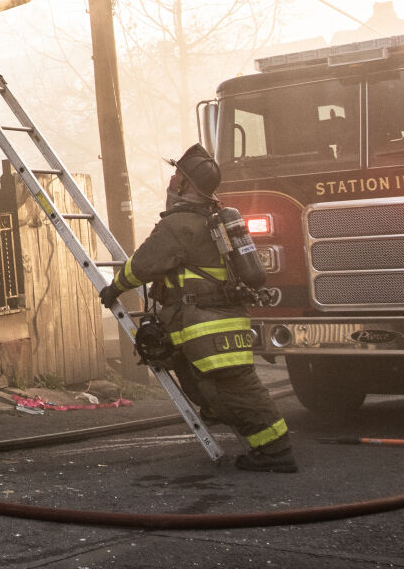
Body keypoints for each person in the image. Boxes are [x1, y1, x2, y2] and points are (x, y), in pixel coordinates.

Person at [98, 143, 297, 472]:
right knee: (210, 383)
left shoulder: (180, 226)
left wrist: (115, 287)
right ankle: (235, 423)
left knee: (239, 390)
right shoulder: (213, 219)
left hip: (204, 326)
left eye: (177, 175)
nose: (172, 179)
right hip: (217, 321)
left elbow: (145, 264)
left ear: (185, 184)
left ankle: (277, 452)